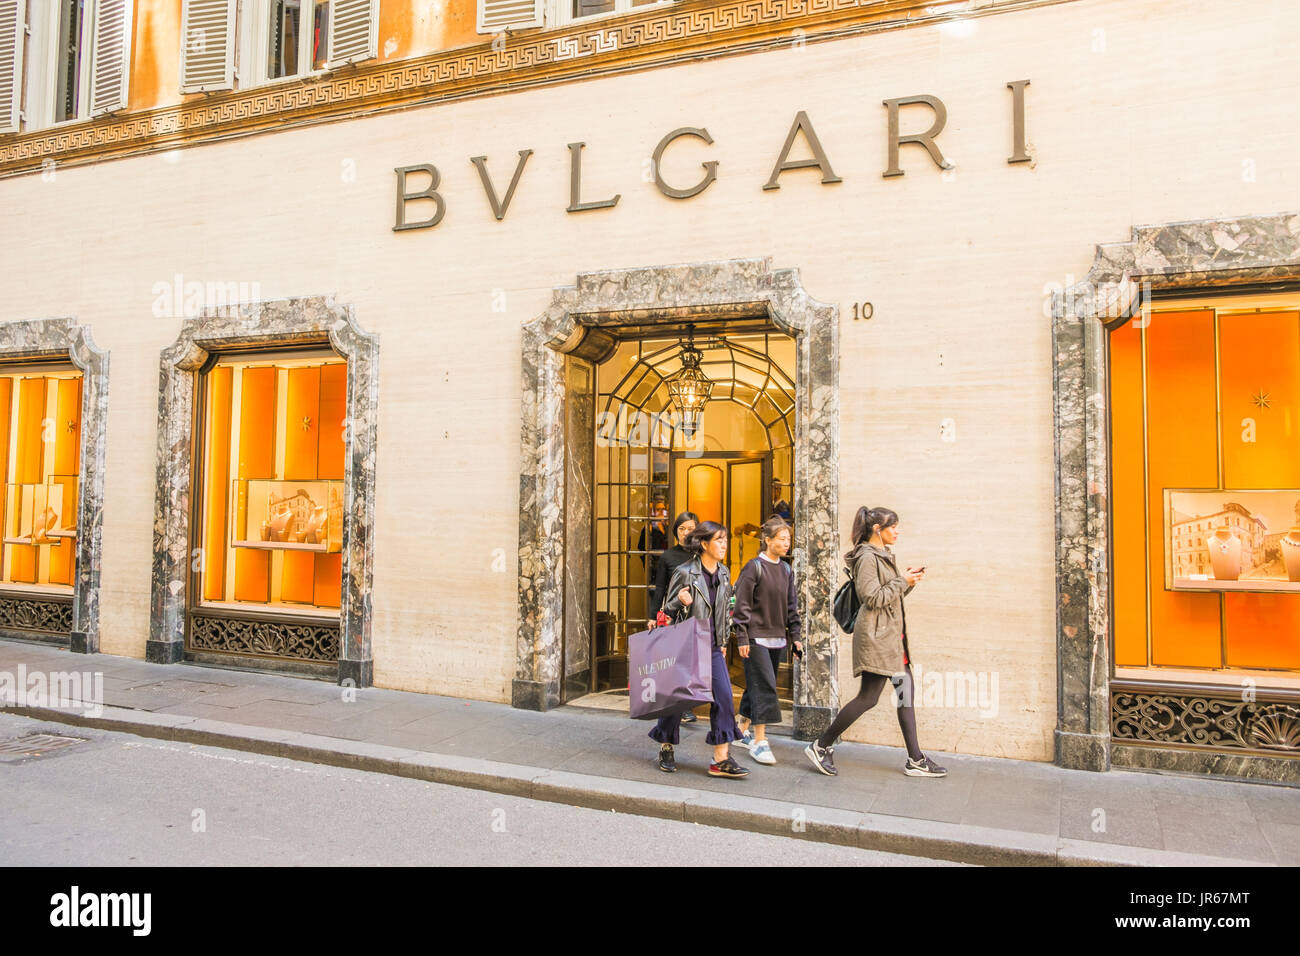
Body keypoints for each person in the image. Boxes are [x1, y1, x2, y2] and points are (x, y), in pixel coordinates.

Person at [804, 506, 948, 778]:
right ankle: (821, 745)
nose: (898, 531)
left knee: (906, 695)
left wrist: (908, 581)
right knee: (868, 698)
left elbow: (888, 596)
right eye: (893, 526)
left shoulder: (882, 556)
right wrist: (902, 581)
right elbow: (872, 598)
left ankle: (915, 759)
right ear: (877, 530)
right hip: (877, 638)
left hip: (893, 639)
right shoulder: (867, 558)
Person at [650, 521, 750, 777]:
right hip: (686, 645)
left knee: (725, 698)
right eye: (719, 540)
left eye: (725, 540)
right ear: (704, 544)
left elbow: (725, 611)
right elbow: (666, 612)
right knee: (678, 700)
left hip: (713, 646)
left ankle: (721, 759)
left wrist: (725, 641)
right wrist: (680, 603)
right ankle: (667, 745)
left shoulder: (725, 573)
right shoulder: (685, 572)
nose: (724, 545)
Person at [732, 517, 802, 765]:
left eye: (789, 539)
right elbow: (741, 605)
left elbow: (791, 605)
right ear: (768, 540)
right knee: (764, 687)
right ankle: (760, 742)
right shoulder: (754, 567)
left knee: (757, 684)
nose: (787, 543)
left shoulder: (785, 569)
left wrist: (796, 637)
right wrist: (742, 636)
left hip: (777, 637)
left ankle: (740, 730)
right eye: (782, 539)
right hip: (755, 637)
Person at [649, 511, 700, 721]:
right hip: (674, 615)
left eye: (690, 528)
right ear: (675, 532)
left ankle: (687, 701)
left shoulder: (702, 554)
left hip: (698, 614)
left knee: (693, 662)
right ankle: (681, 706)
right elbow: (659, 588)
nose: (686, 533)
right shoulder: (668, 556)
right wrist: (653, 616)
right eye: (681, 529)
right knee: (677, 661)